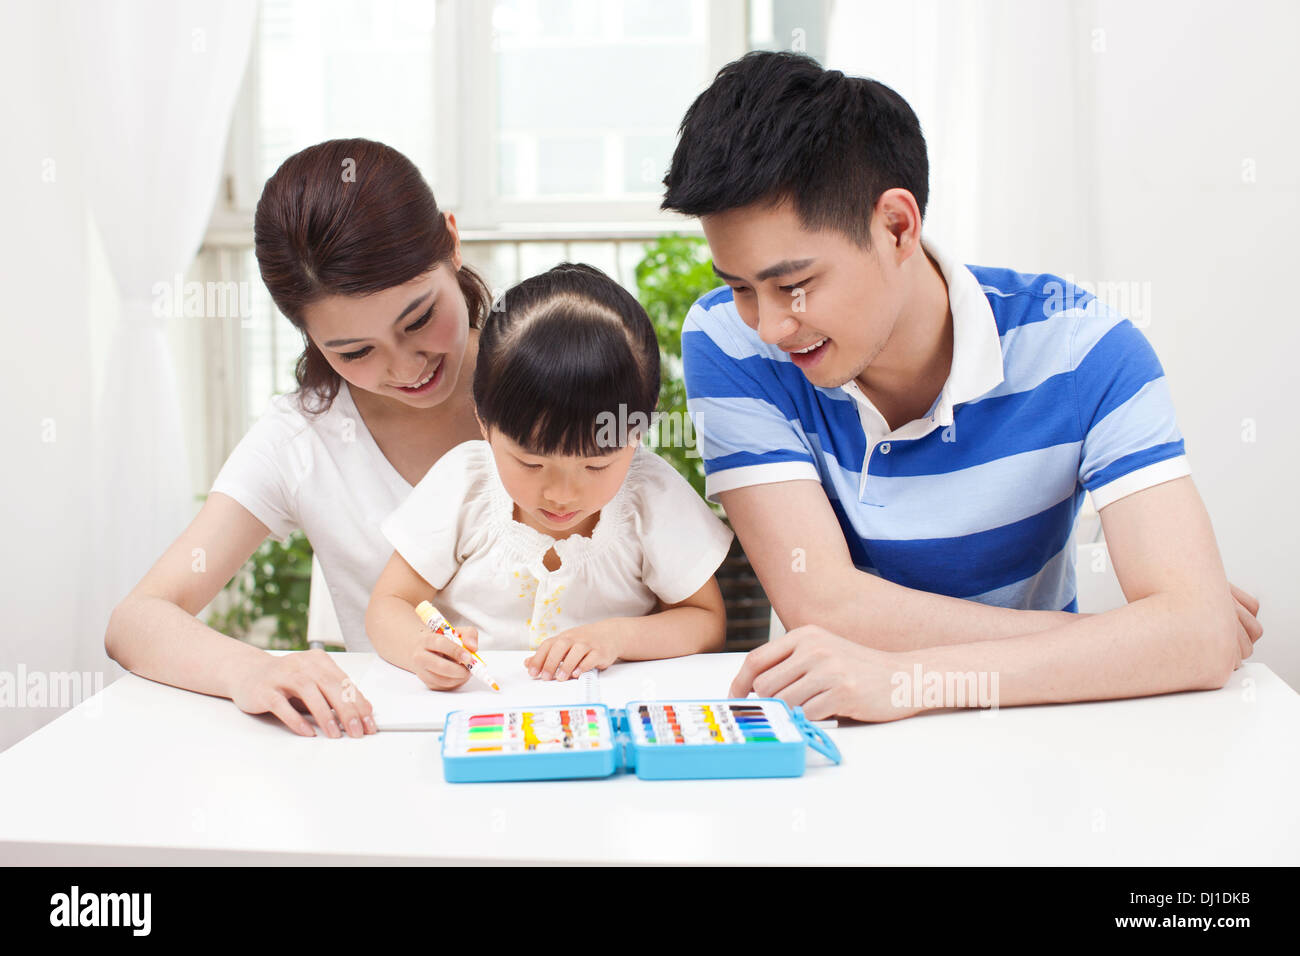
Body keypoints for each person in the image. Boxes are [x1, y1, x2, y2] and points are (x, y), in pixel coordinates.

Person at [662, 52, 1263, 721]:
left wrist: (907, 679)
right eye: (740, 287)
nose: (769, 326)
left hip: (1048, 729)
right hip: (838, 743)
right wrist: (1137, 639)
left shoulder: (1081, 348)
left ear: (896, 226)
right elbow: (824, 606)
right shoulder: (728, 339)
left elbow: (1198, 639)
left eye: (793, 286)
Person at [105, 139, 492, 738]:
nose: (406, 366)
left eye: (418, 319)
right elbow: (136, 620)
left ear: (452, 241)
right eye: (355, 351)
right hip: (393, 754)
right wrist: (252, 670)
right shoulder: (303, 440)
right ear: (310, 337)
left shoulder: (545, 367)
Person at [367, 263, 732, 689]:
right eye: (531, 464)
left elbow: (707, 622)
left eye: (596, 466)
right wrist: (419, 649)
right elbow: (389, 604)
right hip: (478, 711)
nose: (561, 493)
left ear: (637, 433)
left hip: (601, 720)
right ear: (484, 423)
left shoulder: (651, 496)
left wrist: (615, 637)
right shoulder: (464, 483)